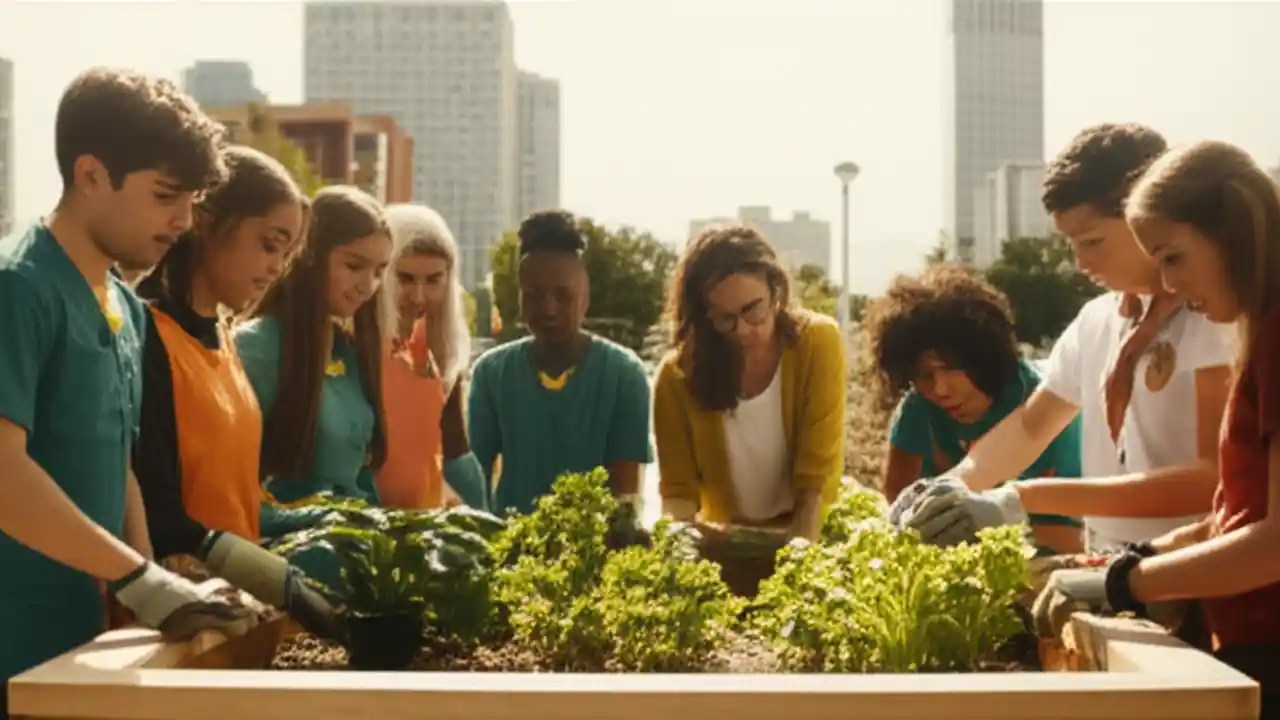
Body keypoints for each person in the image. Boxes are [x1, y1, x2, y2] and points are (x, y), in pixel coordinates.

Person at [0, 68, 252, 706]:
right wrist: (140, 577)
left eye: (192, 200)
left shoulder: (126, 306)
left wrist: (157, 600)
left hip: (82, 653)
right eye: (167, 195)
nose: (184, 221)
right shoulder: (17, 288)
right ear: (90, 175)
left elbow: (123, 468)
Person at [894, 123, 1233, 553]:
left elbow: (1213, 478)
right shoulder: (1096, 320)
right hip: (1107, 559)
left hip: (1191, 561)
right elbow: (1030, 426)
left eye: (1092, 241)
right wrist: (949, 487)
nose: (1080, 261)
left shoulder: (1213, 316)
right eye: (1071, 243)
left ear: (1148, 213)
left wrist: (1023, 498)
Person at [1033, 140, 1280, 717]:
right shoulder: (1259, 333)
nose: (1168, 284)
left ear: (1230, 232)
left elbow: (1274, 545)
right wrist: (1127, 563)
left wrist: (1126, 584)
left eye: (1173, 257)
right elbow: (1237, 511)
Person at [130, 145, 339, 638]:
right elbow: (158, 512)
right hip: (173, 623)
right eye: (269, 244)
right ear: (205, 220)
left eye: (286, 255)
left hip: (234, 614)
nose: (275, 268)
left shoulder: (224, 337)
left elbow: (237, 494)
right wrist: (275, 581)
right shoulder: (146, 336)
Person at [868, 265, 1083, 554]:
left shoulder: (1050, 404)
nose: (940, 389)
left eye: (951, 368)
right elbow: (897, 503)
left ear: (985, 355)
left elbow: (1076, 537)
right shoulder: (920, 409)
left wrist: (989, 527)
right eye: (924, 376)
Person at [653, 225, 846, 541]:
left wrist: (799, 561)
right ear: (703, 317)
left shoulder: (818, 343)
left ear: (775, 291)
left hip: (812, 534)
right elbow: (678, 494)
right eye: (725, 318)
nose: (742, 330)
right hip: (725, 541)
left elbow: (815, 482)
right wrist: (678, 552)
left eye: (751, 310)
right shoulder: (676, 378)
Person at [468, 210, 653, 515]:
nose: (548, 309)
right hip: (509, 547)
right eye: (534, 295)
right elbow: (475, 483)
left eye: (563, 295)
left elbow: (625, 500)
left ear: (586, 296)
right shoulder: (491, 373)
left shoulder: (624, 375)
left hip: (596, 549)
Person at [235, 186, 391, 525]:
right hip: (285, 553)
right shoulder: (255, 348)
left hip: (349, 543)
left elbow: (362, 479)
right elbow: (233, 492)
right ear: (308, 257)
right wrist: (320, 521)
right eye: (354, 265)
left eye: (379, 271)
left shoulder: (348, 351)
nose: (368, 285)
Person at [378, 204, 487, 510]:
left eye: (433, 280)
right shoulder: (350, 346)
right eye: (406, 278)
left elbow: (456, 452)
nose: (419, 296)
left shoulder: (441, 352)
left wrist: (483, 523)